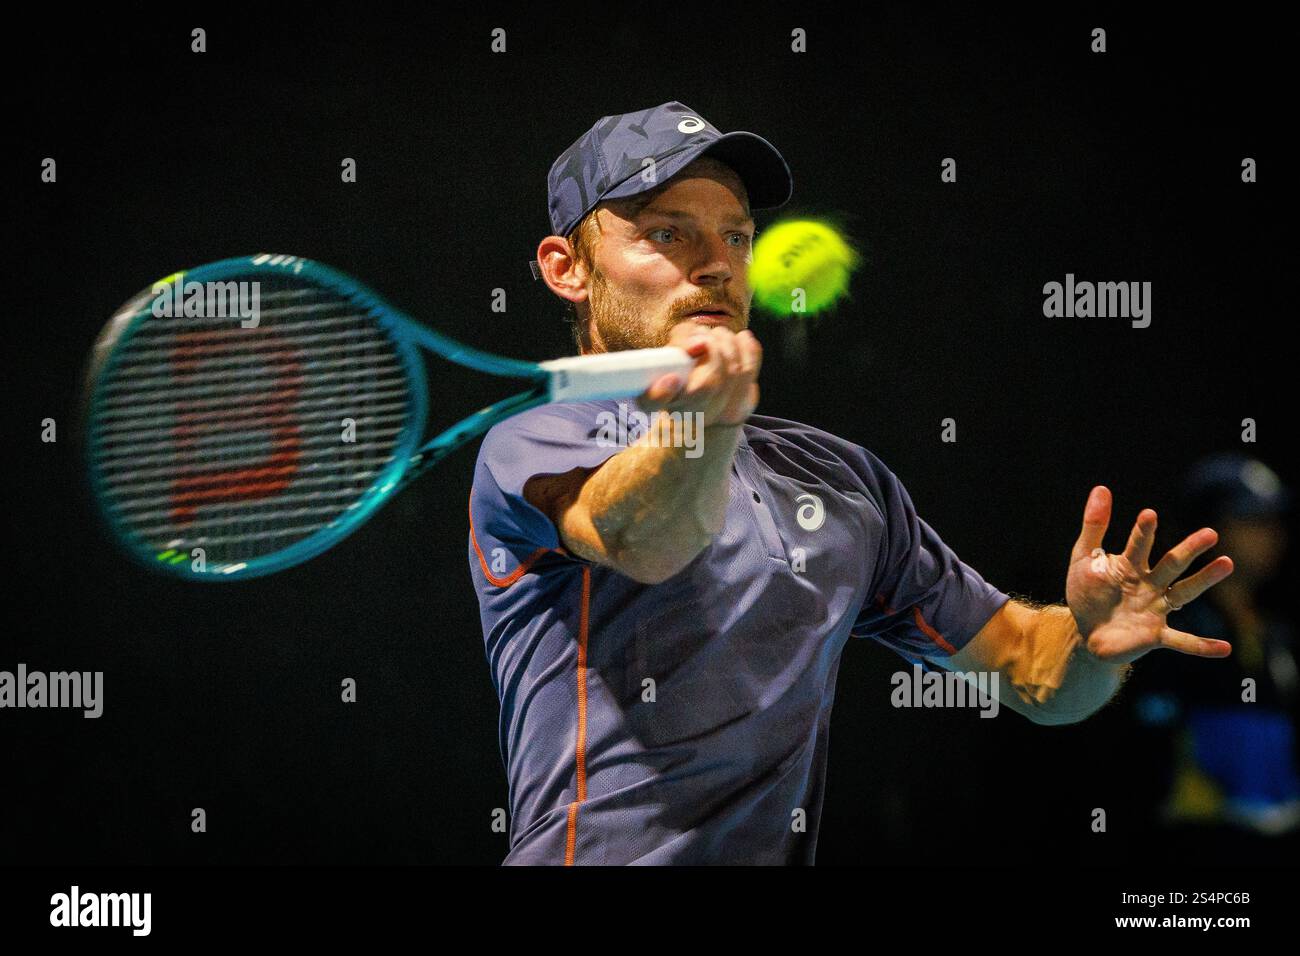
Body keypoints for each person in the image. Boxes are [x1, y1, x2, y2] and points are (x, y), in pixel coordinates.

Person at [466, 101, 1235, 865]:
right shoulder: (533, 440)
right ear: (566, 270)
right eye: (666, 232)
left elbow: (1032, 673)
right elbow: (645, 538)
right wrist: (706, 423)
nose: (716, 263)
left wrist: (1092, 647)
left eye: (736, 235)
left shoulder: (840, 481)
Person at [1130, 453, 1298, 863]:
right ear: (1208, 528)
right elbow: (1139, 760)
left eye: (1274, 520)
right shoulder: (1163, 634)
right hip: (1194, 853)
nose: (1271, 534)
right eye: (1251, 519)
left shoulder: (1280, 636)